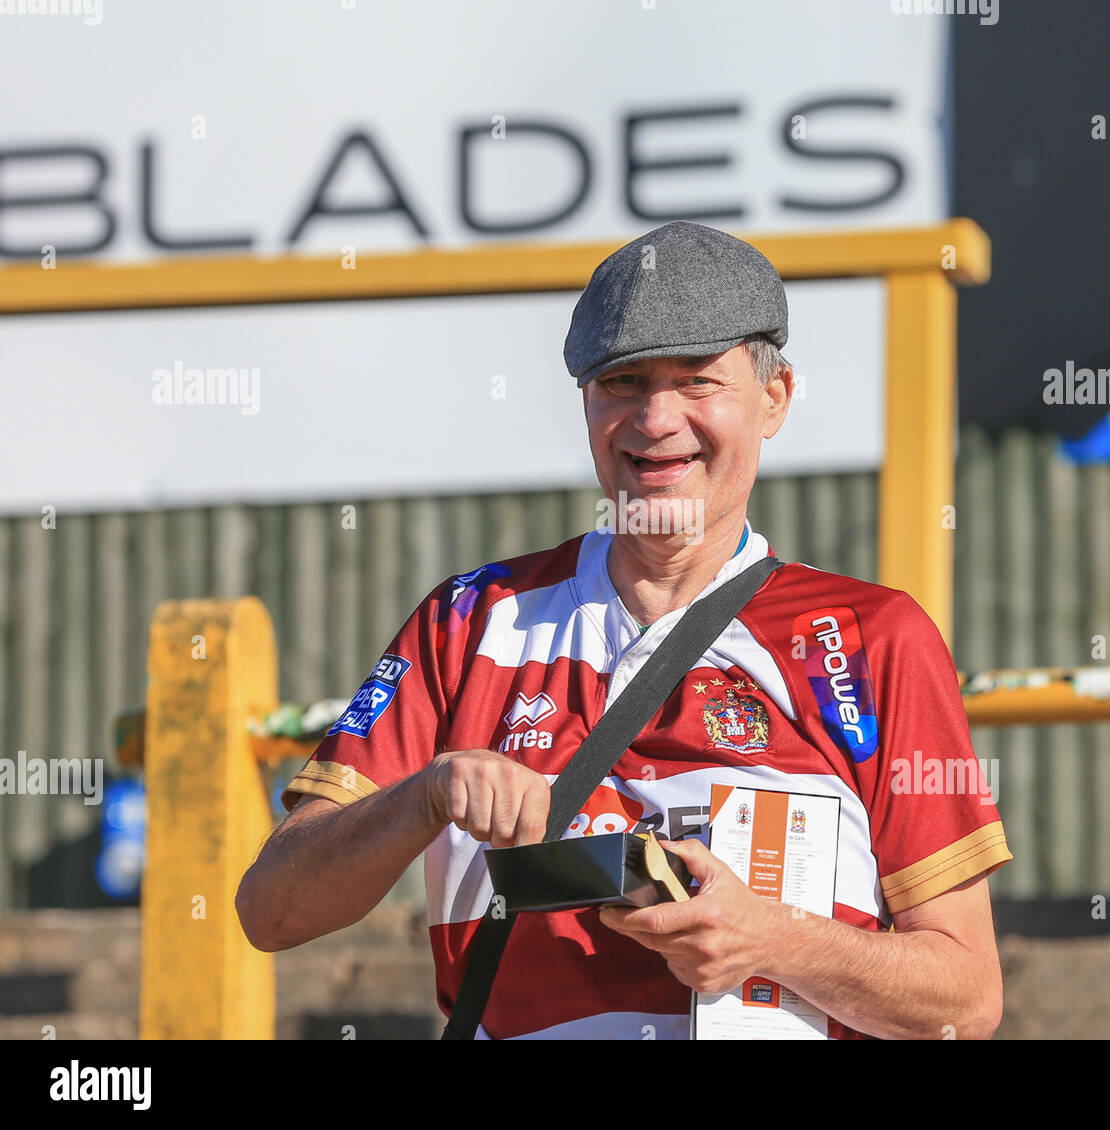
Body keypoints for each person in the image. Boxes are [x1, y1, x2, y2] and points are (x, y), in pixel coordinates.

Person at [236, 220, 1012, 1040]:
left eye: (697, 381)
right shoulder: (467, 620)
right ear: (586, 402)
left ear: (775, 396)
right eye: (624, 382)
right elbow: (272, 912)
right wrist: (425, 796)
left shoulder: (870, 638)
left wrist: (771, 940)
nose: (656, 419)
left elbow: (965, 1000)